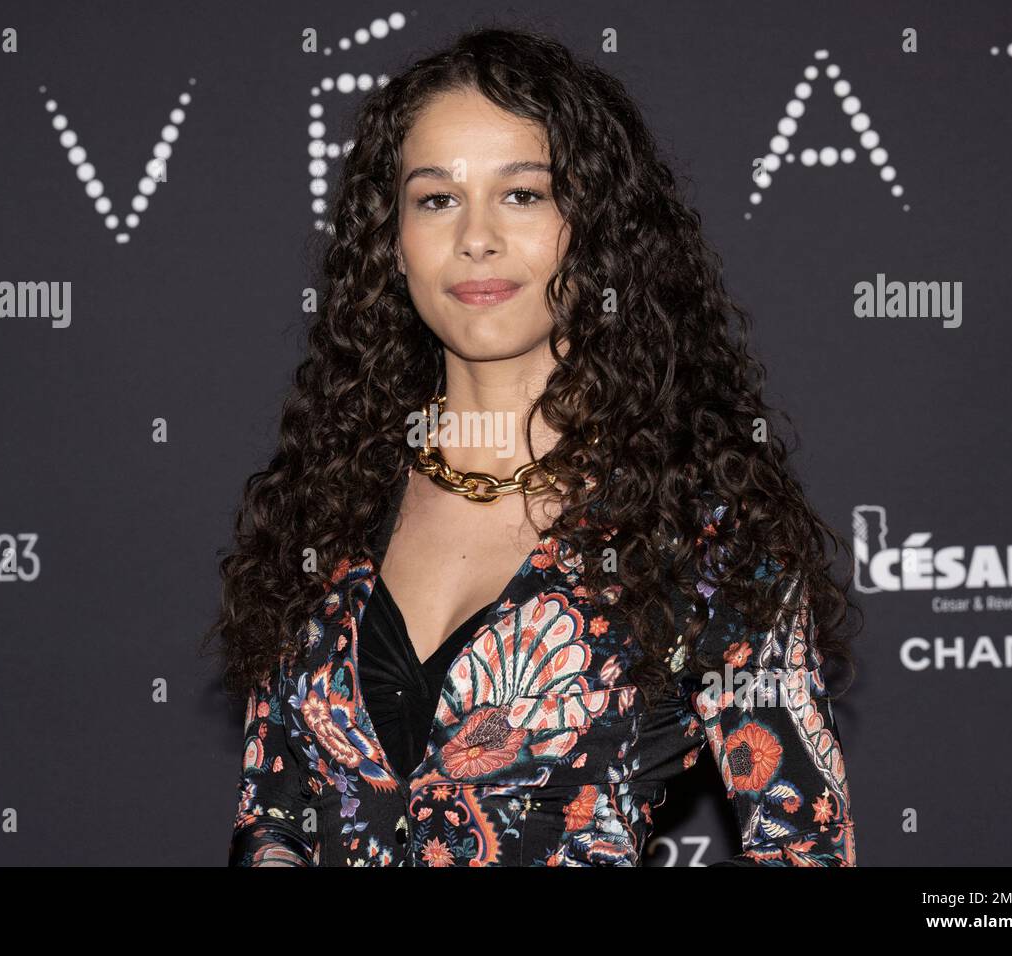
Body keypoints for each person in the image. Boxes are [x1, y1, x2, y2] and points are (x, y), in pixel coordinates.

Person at [206, 26, 860, 867]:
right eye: (435, 198)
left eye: (523, 195)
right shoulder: (328, 502)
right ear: (391, 243)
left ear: (593, 230)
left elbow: (804, 841)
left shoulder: (697, 528)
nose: (476, 237)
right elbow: (274, 813)